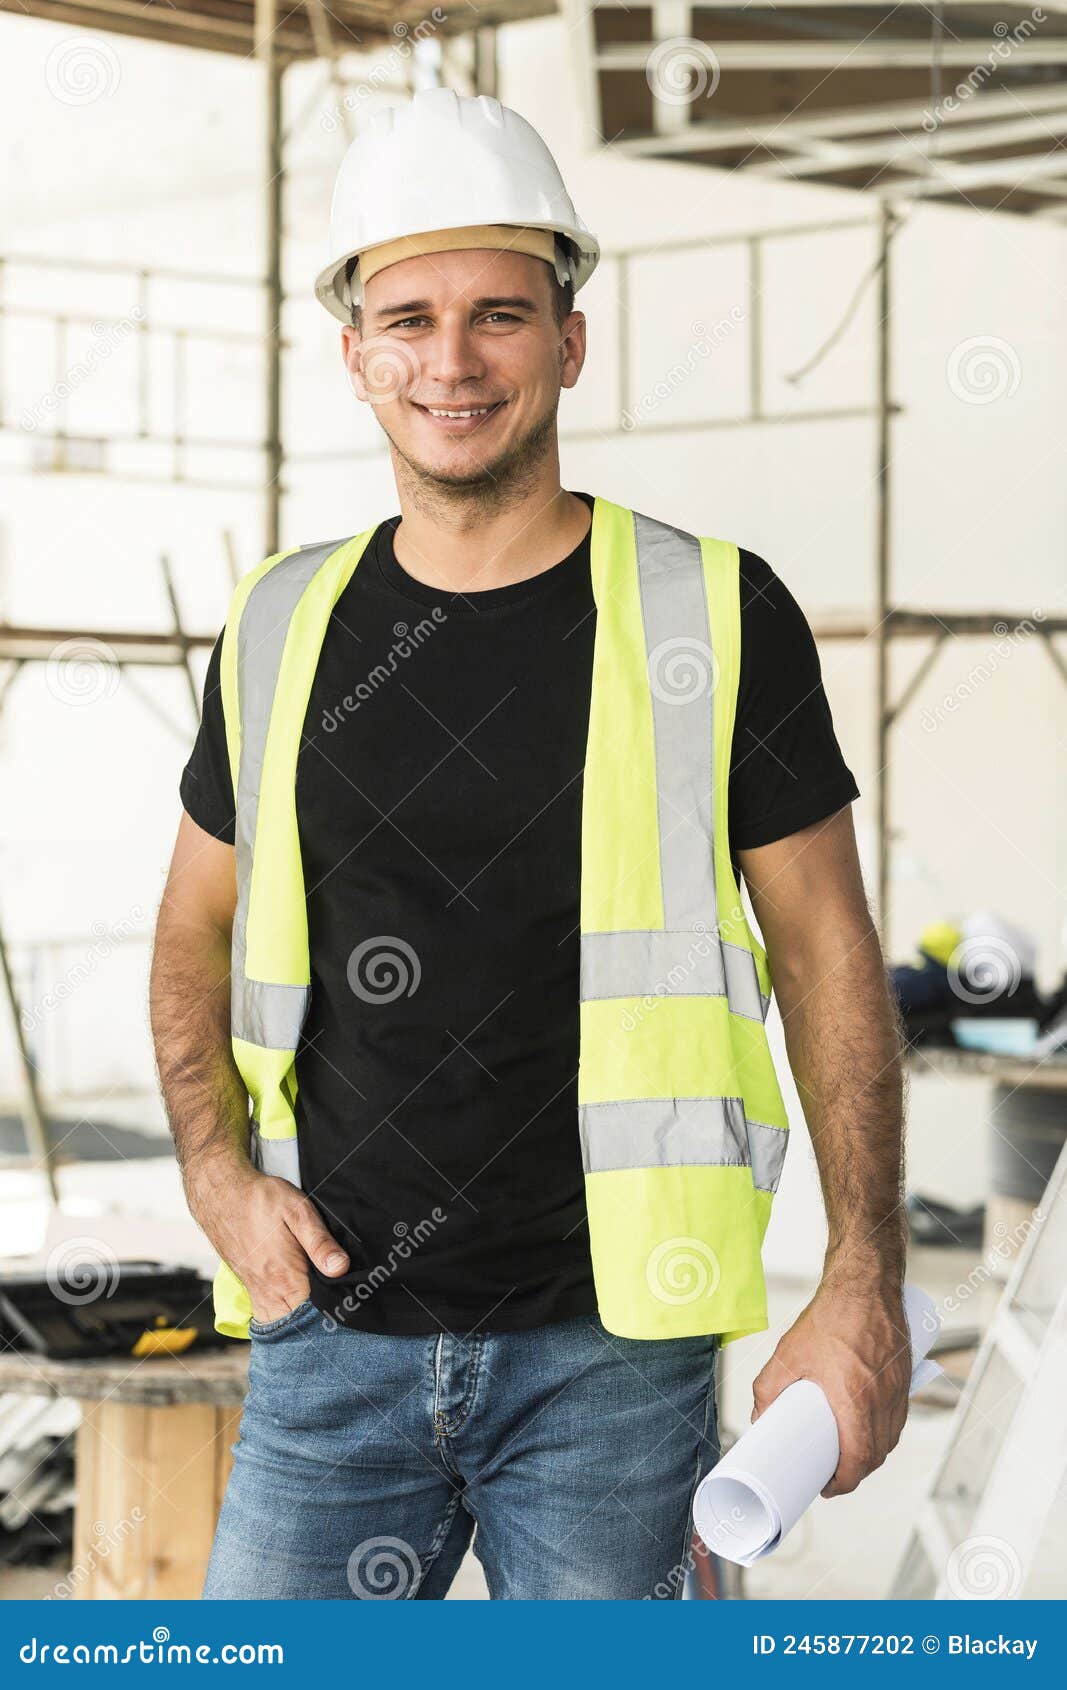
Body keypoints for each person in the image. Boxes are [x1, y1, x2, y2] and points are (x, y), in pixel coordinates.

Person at [150, 88, 911, 1602]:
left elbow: (829, 950)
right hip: (328, 1345)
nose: (453, 359)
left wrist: (864, 1273)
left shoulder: (713, 610)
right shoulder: (281, 623)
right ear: (356, 351)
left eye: (501, 313)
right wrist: (216, 1177)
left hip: (610, 1362)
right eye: (410, 316)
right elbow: (191, 930)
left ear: (570, 340)